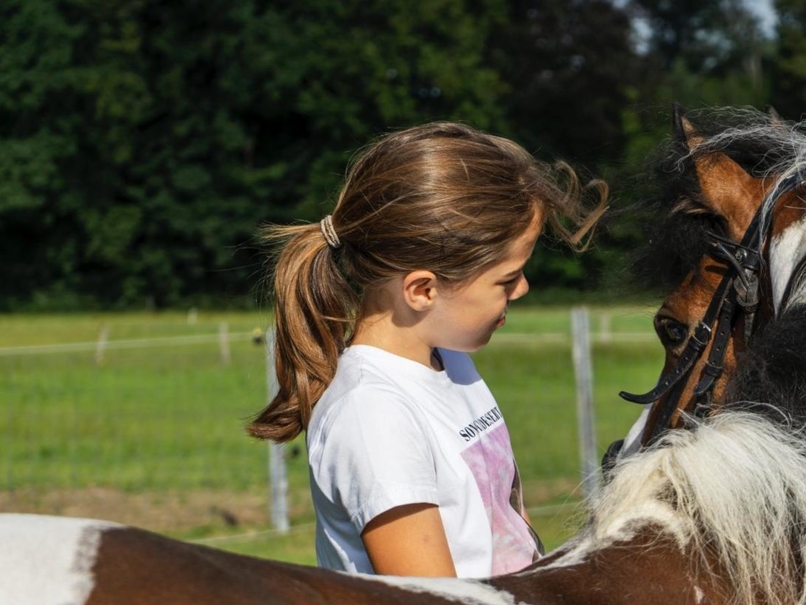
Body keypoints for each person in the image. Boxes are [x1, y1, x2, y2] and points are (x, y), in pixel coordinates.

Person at [247, 122, 606, 578]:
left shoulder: (449, 360)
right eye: (506, 278)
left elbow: (508, 524)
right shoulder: (373, 414)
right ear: (421, 290)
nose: (523, 289)